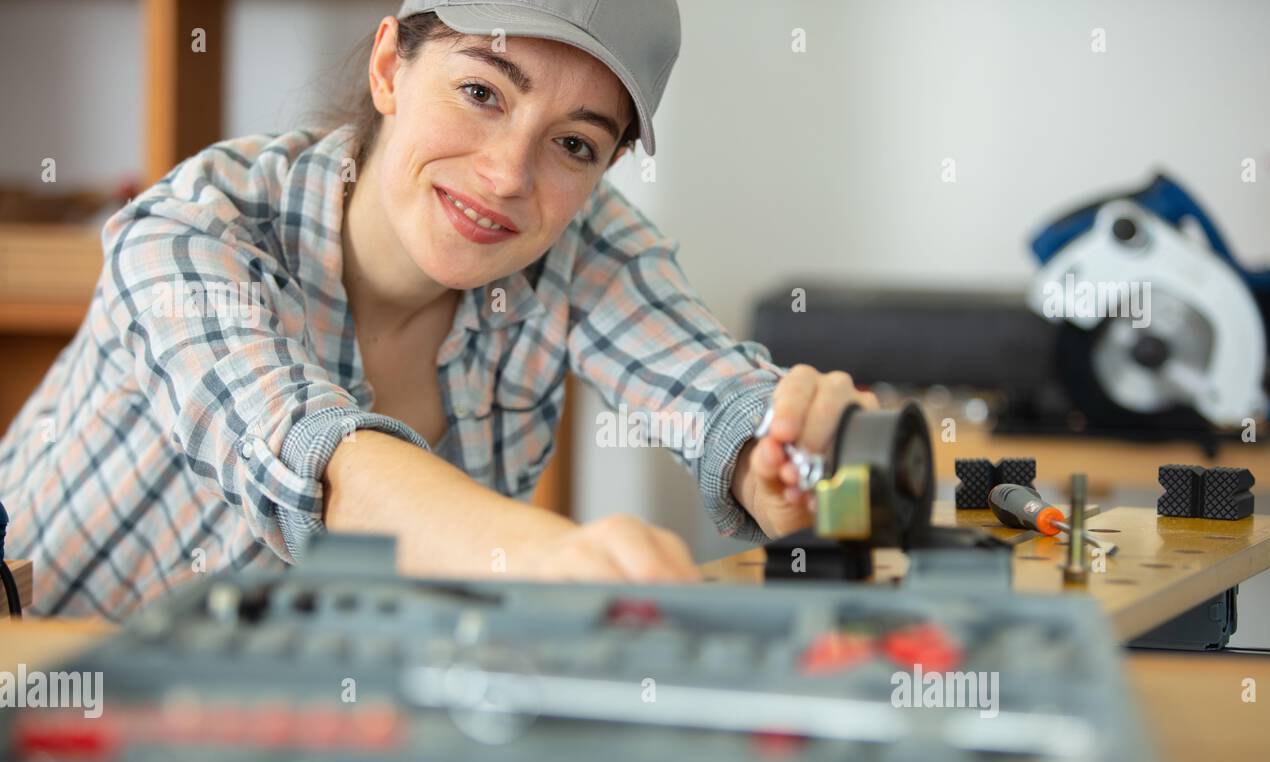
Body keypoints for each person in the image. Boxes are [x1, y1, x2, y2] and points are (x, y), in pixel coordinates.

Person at [0, 0, 874, 619]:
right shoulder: (195, 229)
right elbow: (324, 465)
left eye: (574, 143)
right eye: (483, 92)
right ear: (390, 67)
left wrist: (778, 460)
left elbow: (713, 391)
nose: (506, 175)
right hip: (50, 701)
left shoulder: (579, 243)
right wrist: (542, 557)